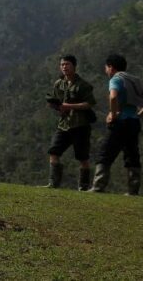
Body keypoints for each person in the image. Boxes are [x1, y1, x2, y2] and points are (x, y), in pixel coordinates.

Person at [89, 54, 143, 194]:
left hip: (121, 122)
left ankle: (98, 186)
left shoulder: (116, 79)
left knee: (106, 153)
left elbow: (113, 97)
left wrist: (113, 114)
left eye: (106, 67)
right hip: (134, 123)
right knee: (132, 155)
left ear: (111, 67)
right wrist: (139, 115)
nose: (106, 70)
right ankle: (133, 190)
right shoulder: (134, 80)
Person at [43, 55, 96, 190]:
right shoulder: (58, 84)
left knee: (82, 157)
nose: (64, 67)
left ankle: (83, 187)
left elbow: (89, 104)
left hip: (80, 125)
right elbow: (57, 101)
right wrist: (55, 105)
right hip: (64, 124)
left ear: (74, 66)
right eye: (62, 65)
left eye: (67, 64)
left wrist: (69, 106)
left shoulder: (83, 85)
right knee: (54, 152)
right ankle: (53, 183)